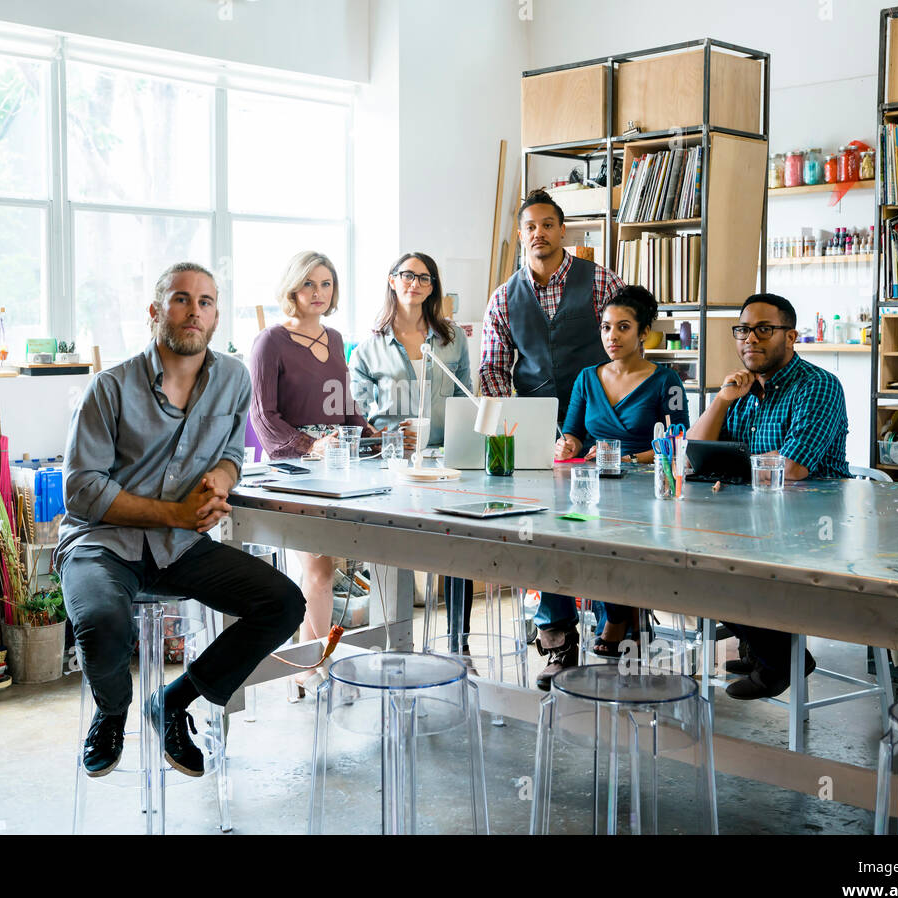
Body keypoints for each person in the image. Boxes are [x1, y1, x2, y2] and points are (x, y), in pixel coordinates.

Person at [55, 261, 306, 780]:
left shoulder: (234, 378)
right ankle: (111, 711)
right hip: (101, 542)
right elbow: (81, 491)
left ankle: (173, 700)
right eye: (181, 299)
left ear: (216, 317)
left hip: (179, 547)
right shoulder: (109, 388)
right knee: (102, 621)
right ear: (155, 312)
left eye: (206, 302)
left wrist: (222, 477)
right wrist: (176, 512)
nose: (195, 311)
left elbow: (234, 451)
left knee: (282, 604)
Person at [480, 188, 626, 689]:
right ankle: (557, 635)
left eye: (547, 224)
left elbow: (623, 343)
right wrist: (520, 427)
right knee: (540, 530)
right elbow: (494, 368)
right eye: (530, 227)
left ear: (564, 231)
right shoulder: (503, 296)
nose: (538, 233)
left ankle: (616, 628)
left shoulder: (601, 279)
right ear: (521, 235)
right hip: (537, 427)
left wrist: (612, 405)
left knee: (605, 527)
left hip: (602, 418)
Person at [687, 292, 849, 700]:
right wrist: (723, 399)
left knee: (721, 570)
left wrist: (732, 468)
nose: (750, 340)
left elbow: (791, 468)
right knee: (688, 561)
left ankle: (781, 659)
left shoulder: (818, 387)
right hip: (752, 519)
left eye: (764, 329)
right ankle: (762, 646)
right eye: (743, 330)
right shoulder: (741, 391)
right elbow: (692, 453)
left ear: (790, 336)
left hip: (813, 525)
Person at [249, 250, 375, 694]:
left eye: (326, 284)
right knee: (320, 572)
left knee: (329, 572)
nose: (318, 293)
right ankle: (311, 666)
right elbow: (263, 416)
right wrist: (309, 446)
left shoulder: (336, 338)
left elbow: (344, 405)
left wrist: (375, 435)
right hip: (294, 468)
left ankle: (314, 663)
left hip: (339, 465)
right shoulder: (270, 341)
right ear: (293, 289)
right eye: (309, 284)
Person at [554, 284, 689, 658]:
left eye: (623, 327)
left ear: (644, 332)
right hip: (594, 480)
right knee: (559, 531)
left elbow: (678, 440)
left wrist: (628, 460)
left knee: (608, 534)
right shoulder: (587, 377)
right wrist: (568, 445)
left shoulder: (667, 381)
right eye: (606, 327)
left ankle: (616, 618)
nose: (611, 336)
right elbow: (575, 433)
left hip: (646, 486)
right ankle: (615, 616)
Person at [348, 252, 475, 651]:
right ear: (392, 280)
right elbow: (359, 418)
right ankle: (394, 644)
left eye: (425, 278)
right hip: (394, 468)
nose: (415, 283)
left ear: (433, 286)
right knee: (395, 551)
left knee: (460, 549)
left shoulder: (453, 338)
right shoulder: (369, 348)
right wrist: (388, 437)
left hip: (446, 465)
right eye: (407, 275)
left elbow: (465, 400)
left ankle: (459, 644)